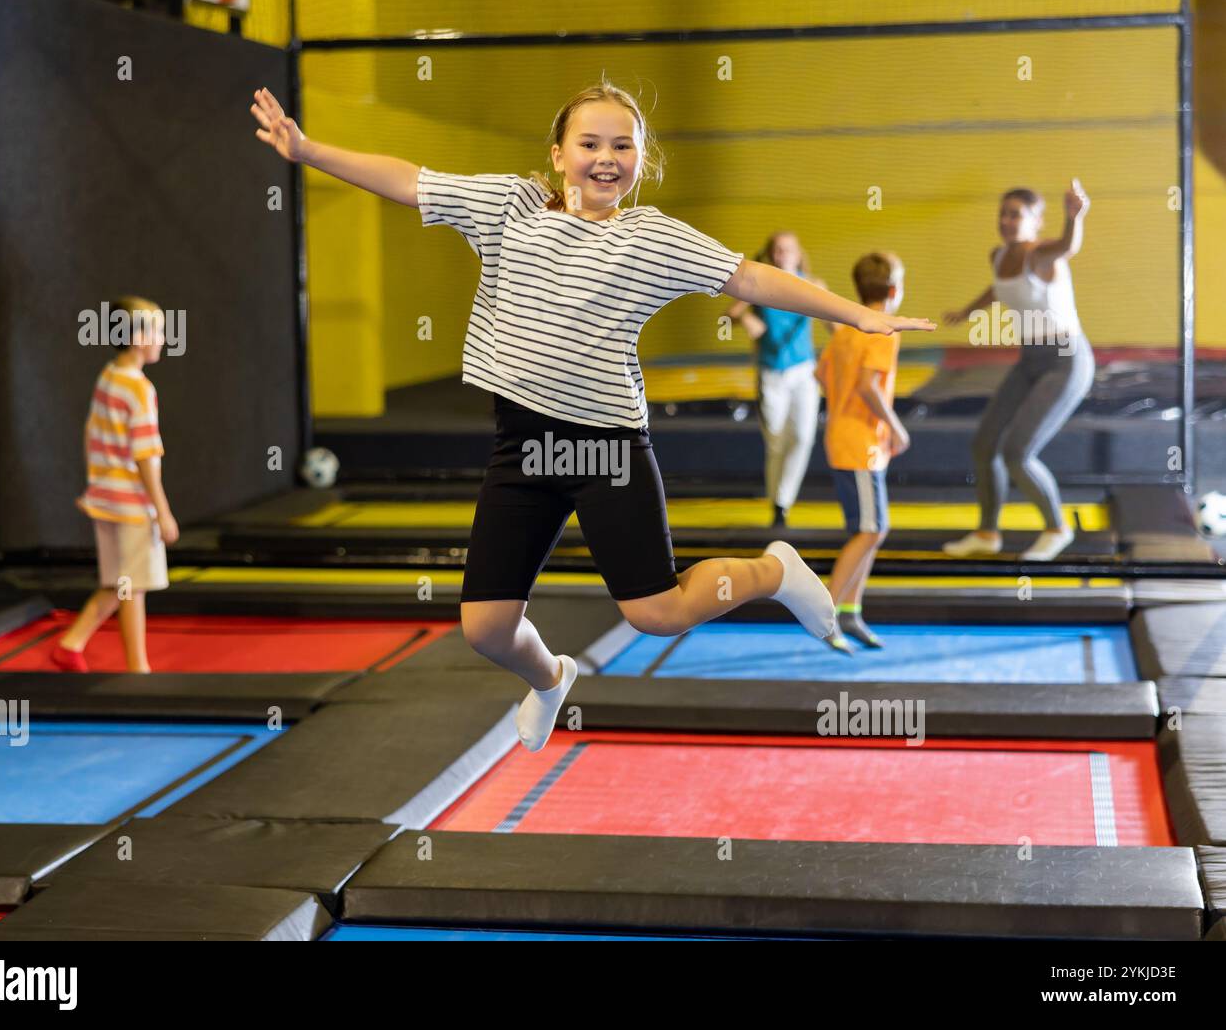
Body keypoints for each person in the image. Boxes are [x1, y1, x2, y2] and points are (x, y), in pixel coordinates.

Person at [251, 78, 935, 751]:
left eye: (623, 145)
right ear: (557, 153)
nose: (606, 157)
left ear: (640, 161)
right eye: (590, 142)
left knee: (656, 613)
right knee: (486, 628)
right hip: (521, 449)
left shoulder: (650, 238)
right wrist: (308, 150)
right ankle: (550, 678)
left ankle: (774, 571)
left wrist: (859, 314)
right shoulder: (510, 206)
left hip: (607, 447)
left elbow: (751, 279)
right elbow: (410, 181)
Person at [942, 181, 1095, 562]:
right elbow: (998, 288)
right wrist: (967, 312)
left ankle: (1057, 527)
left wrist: (1073, 218)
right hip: (1030, 360)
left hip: (1066, 359)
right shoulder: (998, 255)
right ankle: (987, 533)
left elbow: (1067, 246)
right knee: (984, 444)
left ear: (1036, 222)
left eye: (1017, 215)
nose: (1007, 221)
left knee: (1018, 453)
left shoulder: (1042, 255)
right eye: (1003, 214)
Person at [51, 297, 179, 674]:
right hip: (130, 504)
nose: (163, 338)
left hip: (106, 498)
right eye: (157, 331)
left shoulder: (108, 376)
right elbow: (145, 456)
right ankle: (138, 668)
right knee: (133, 585)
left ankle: (71, 642)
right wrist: (162, 510)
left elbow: (93, 435)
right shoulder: (139, 389)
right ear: (139, 337)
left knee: (120, 580)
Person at [816, 253, 910, 652]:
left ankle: (850, 611)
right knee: (872, 529)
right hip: (861, 445)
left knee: (867, 529)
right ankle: (827, 613)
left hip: (845, 437)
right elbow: (869, 387)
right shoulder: (882, 330)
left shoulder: (847, 329)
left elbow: (822, 375)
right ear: (893, 291)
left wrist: (844, 410)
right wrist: (895, 427)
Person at [726, 231, 826, 527]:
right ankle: (777, 503)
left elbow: (835, 323)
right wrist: (745, 318)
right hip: (771, 373)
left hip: (804, 372)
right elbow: (729, 315)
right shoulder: (759, 284)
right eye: (778, 251)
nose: (783, 256)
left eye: (788, 251)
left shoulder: (813, 285)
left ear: (798, 254)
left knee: (803, 437)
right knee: (777, 442)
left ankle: (783, 502)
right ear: (771, 254)